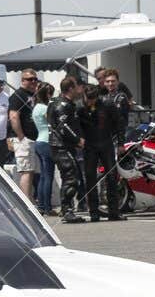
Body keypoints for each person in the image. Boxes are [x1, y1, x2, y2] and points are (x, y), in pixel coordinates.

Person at [81, 85, 123, 222]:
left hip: (106, 143)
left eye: (93, 99)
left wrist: (121, 143)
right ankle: (94, 212)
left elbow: (119, 123)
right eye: (89, 99)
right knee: (90, 177)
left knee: (111, 176)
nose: (91, 102)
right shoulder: (80, 107)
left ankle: (114, 211)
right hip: (89, 145)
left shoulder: (107, 104)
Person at [48, 76, 86, 222]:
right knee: (72, 177)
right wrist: (78, 140)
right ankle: (67, 210)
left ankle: (67, 209)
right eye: (77, 86)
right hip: (61, 146)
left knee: (69, 177)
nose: (79, 89)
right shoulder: (62, 105)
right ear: (71, 88)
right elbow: (63, 126)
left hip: (63, 146)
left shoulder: (65, 103)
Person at [8, 69, 41, 199]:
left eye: (35, 79)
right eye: (29, 79)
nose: (33, 81)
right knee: (26, 171)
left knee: (33, 171)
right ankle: (27, 202)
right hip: (24, 139)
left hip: (35, 138)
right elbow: (14, 116)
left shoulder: (35, 95)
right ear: (22, 81)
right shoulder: (18, 95)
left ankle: (33, 199)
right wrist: (21, 136)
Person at [31, 81, 55, 212]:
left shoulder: (36, 107)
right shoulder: (45, 108)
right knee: (48, 175)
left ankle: (41, 206)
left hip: (39, 141)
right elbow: (52, 122)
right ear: (47, 94)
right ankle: (47, 207)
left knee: (43, 175)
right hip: (47, 141)